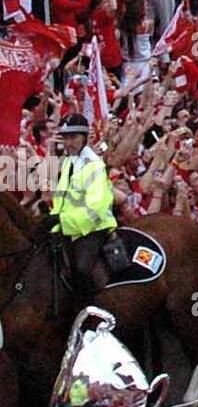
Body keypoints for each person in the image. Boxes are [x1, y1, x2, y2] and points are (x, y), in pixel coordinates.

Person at [49, 113, 126, 298]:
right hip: (69, 225)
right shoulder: (69, 161)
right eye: (65, 138)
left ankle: (89, 309)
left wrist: (63, 221)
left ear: (84, 138)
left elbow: (96, 209)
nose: (68, 143)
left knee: (81, 270)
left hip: (93, 228)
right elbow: (63, 198)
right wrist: (52, 221)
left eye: (73, 138)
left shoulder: (94, 165)